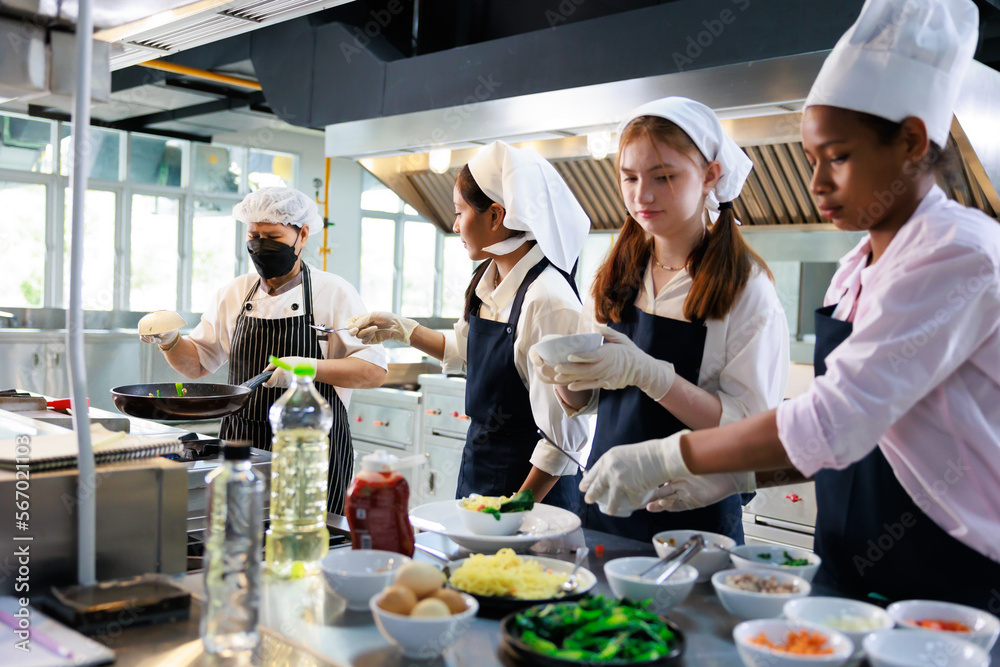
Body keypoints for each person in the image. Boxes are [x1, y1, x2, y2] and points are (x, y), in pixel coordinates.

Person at [577, 0, 1000, 609]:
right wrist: (728, 477)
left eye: (839, 157)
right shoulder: (857, 269)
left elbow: (833, 420)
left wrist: (671, 454)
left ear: (910, 141)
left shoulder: (959, 254)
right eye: (810, 159)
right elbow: (840, 443)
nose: (817, 184)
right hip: (849, 562)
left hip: (946, 573)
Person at [532, 98, 789, 543]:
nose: (642, 195)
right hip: (606, 508)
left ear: (710, 175)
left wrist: (652, 376)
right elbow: (590, 404)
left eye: (664, 177)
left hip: (692, 519)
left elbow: (751, 432)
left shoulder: (747, 288)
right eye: (629, 178)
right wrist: (566, 380)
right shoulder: (616, 271)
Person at [347, 141, 591, 511]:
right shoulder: (487, 281)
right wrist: (401, 328)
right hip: (479, 478)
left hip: (534, 500)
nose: (455, 224)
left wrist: (514, 510)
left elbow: (564, 440)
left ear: (496, 215)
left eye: (460, 212)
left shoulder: (548, 302)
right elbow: (465, 352)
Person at [139, 187, 387, 514]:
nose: (260, 244)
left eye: (271, 235)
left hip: (311, 447)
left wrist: (305, 368)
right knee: (241, 538)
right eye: (253, 234)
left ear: (303, 235)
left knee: (306, 540)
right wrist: (170, 341)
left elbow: (373, 371)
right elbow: (197, 364)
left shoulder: (334, 292)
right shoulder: (235, 292)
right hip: (243, 445)